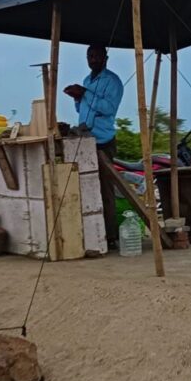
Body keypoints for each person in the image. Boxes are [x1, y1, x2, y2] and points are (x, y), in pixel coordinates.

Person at [63, 44, 124, 250]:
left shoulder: (112, 81)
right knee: (87, 187)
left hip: (103, 141)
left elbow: (108, 108)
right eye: (90, 56)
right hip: (86, 140)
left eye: (97, 56)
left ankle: (111, 236)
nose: (94, 60)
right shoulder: (87, 81)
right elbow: (82, 109)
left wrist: (85, 94)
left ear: (105, 58)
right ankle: (92, 232)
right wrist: (78, 96)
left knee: (105, 190)